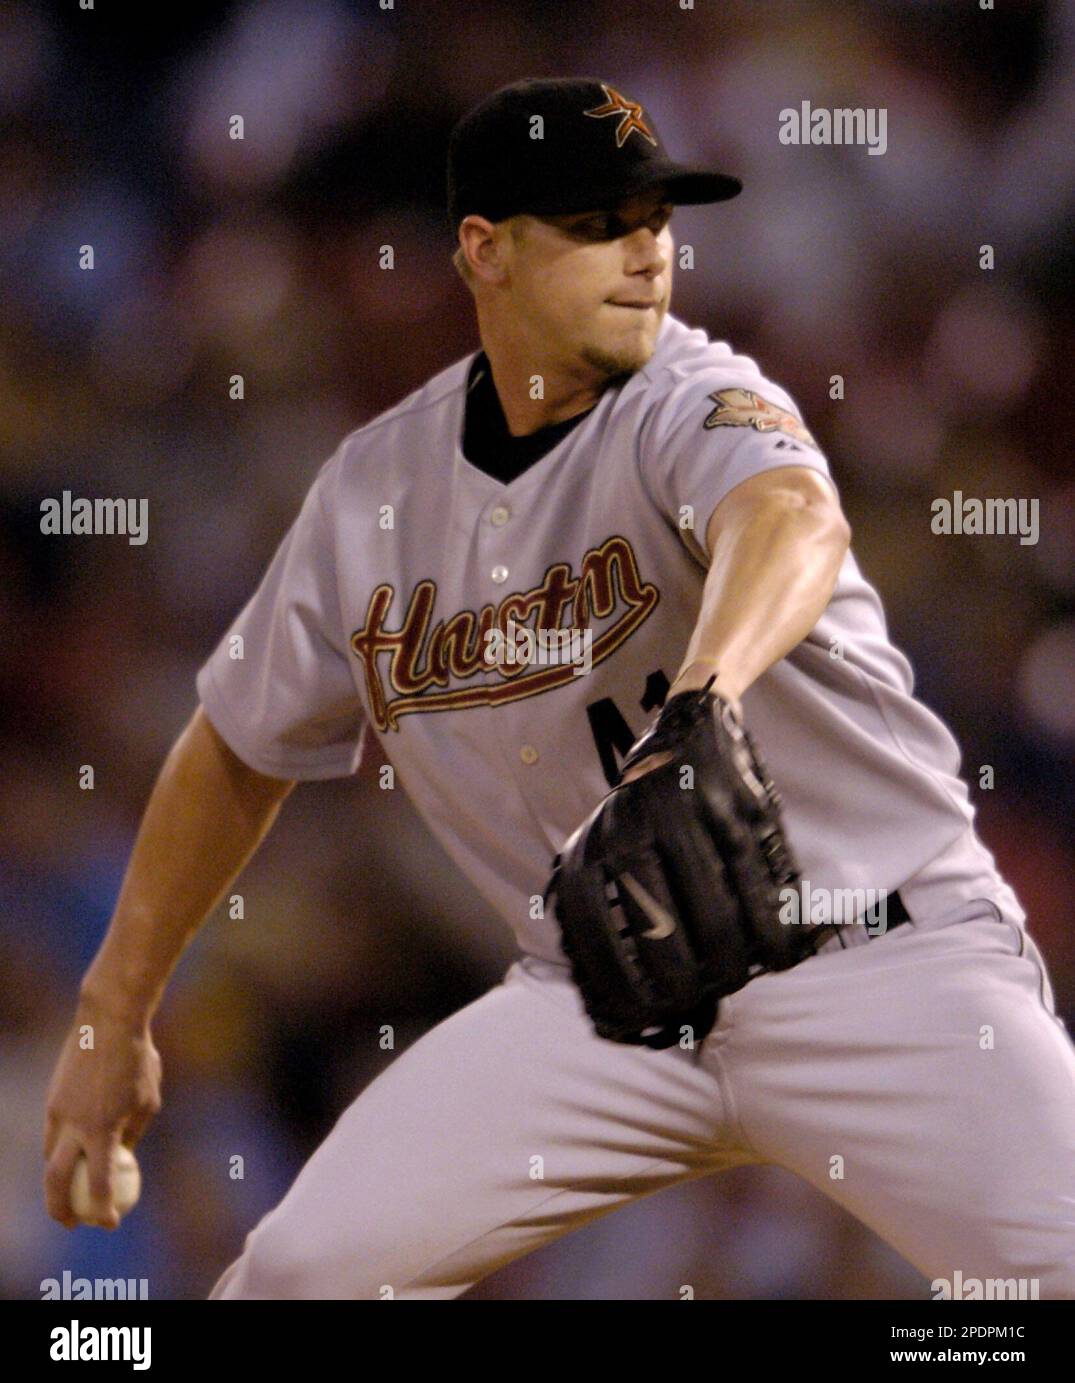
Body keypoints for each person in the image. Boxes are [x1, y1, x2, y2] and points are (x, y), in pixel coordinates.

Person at [44, 77, 1075, 1300]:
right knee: (300, 1278)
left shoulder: (689, 398)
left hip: (884, 964)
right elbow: (235, 745)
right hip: (602, 1005)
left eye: (655, 221)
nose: (643, 256)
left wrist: (705, 693)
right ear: (483, 252)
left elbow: (788, 517)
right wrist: (116, 1005)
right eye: (596, 228)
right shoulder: (370, 492)